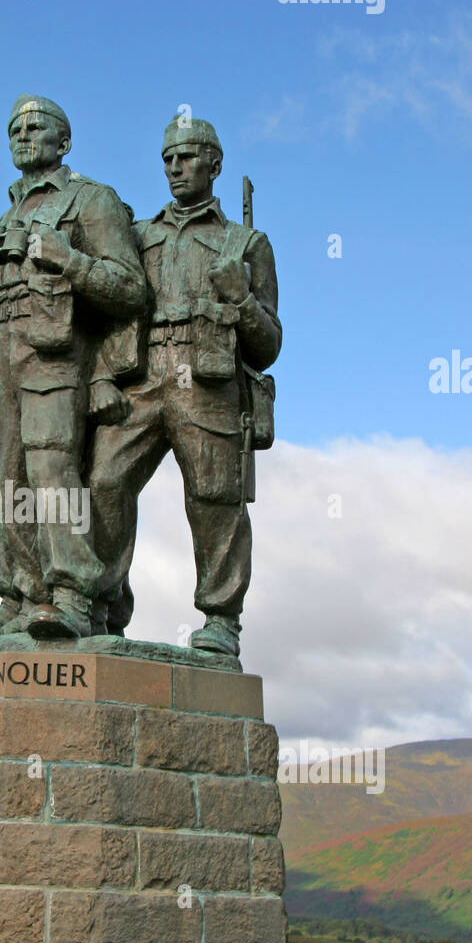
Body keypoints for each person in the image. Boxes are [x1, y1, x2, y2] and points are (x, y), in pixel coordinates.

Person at [0, 95, 145, 640]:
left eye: (36, 126)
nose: (23, 134)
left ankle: (74, 594)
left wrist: (69, 259)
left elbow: (129, 289)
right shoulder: (3, 218)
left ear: (65, 140)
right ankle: (22, 595)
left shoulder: (92, 200)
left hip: (55, 351)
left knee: (53, 473)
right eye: (14, 127)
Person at [88, 116, 281, 658]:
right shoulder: (138, 236)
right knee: (103, 481)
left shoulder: (247, 243)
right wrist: (102, 374)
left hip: (209, 381)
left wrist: (241, 299)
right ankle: (102, 606)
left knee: (214, 500)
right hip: (143, 376)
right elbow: (110, 313)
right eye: (168, 158)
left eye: (189, 156)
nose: (175, 166)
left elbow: (268, 344)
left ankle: (221, 619)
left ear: (215, 165)